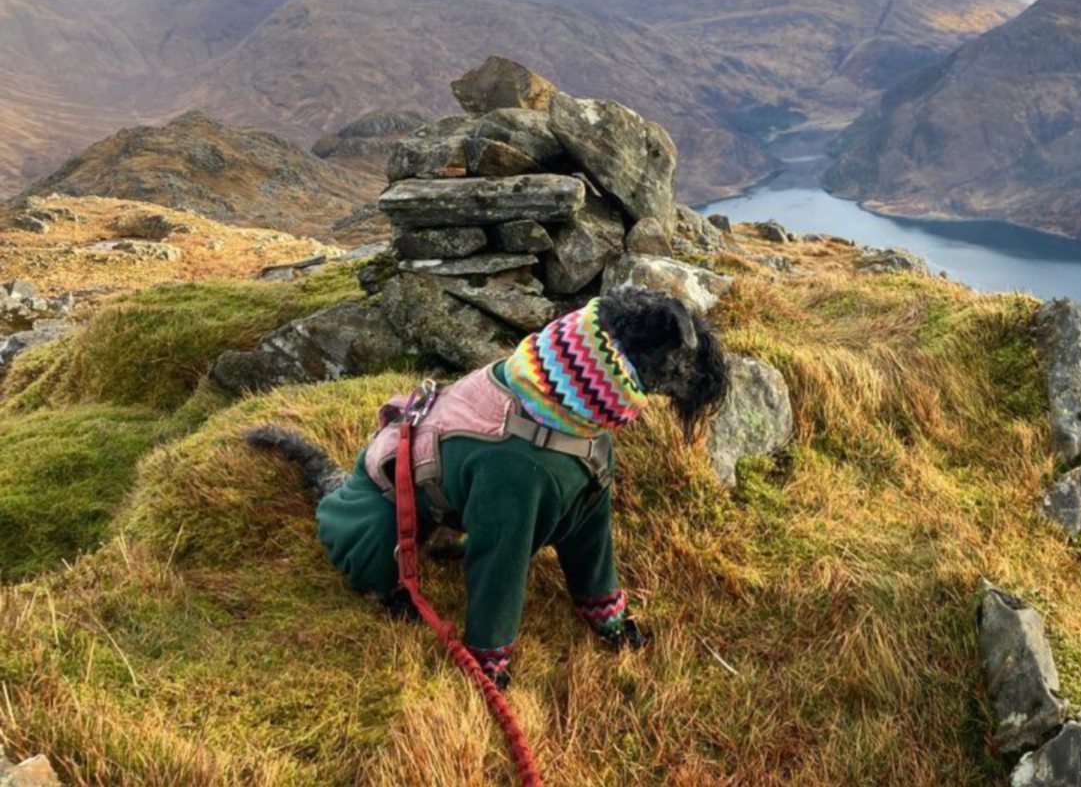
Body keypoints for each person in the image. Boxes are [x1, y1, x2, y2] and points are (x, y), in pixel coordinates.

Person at [248, 287, 728, 688]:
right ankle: (475, 643)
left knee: (580, 501)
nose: (698, 378)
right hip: (389, 501)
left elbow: (589, 524)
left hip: (465, 495)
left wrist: (609, 616)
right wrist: (487, 656)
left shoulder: (576, 414)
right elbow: (502, 551)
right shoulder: (518, 455)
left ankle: (599, 610)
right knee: (400, 547)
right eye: (690, 364)